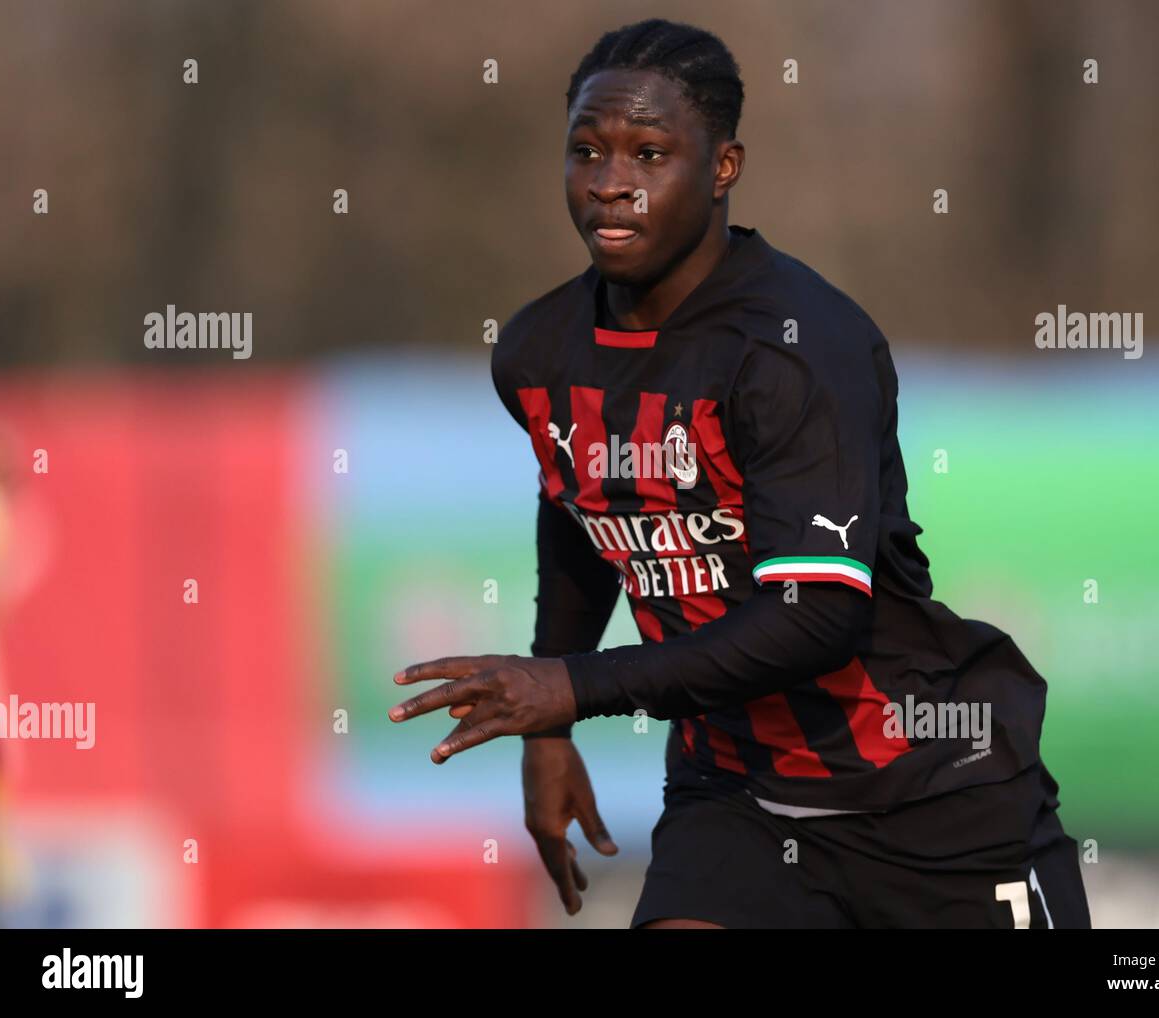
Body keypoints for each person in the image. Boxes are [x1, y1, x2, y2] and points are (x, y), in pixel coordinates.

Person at [390, 18, 1091, 929]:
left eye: (649, 153)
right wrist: (549, 725)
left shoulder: (795, 348)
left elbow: (818, 620)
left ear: (723, 168)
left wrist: (571, 687)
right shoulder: (537, 349)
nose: (610, 182)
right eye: (587, 151)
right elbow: (578, 505)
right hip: (739, 802)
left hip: (929, 798)